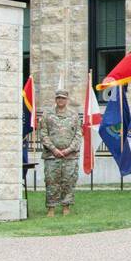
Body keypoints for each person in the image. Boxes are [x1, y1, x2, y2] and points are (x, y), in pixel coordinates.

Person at [41, 86, 82, 216]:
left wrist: (68, 149)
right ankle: (51, 208)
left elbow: (78, 134)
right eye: (58, 98)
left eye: (63, 98)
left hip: (70, 156)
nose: (60, 100)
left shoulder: (74, 116)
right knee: (51, 181)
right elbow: (43, 134)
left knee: (68, 181)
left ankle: (66, 206)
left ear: (67, 100)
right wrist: (54, 149)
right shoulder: (47, 115)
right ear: (55, 99)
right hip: (51, 155)